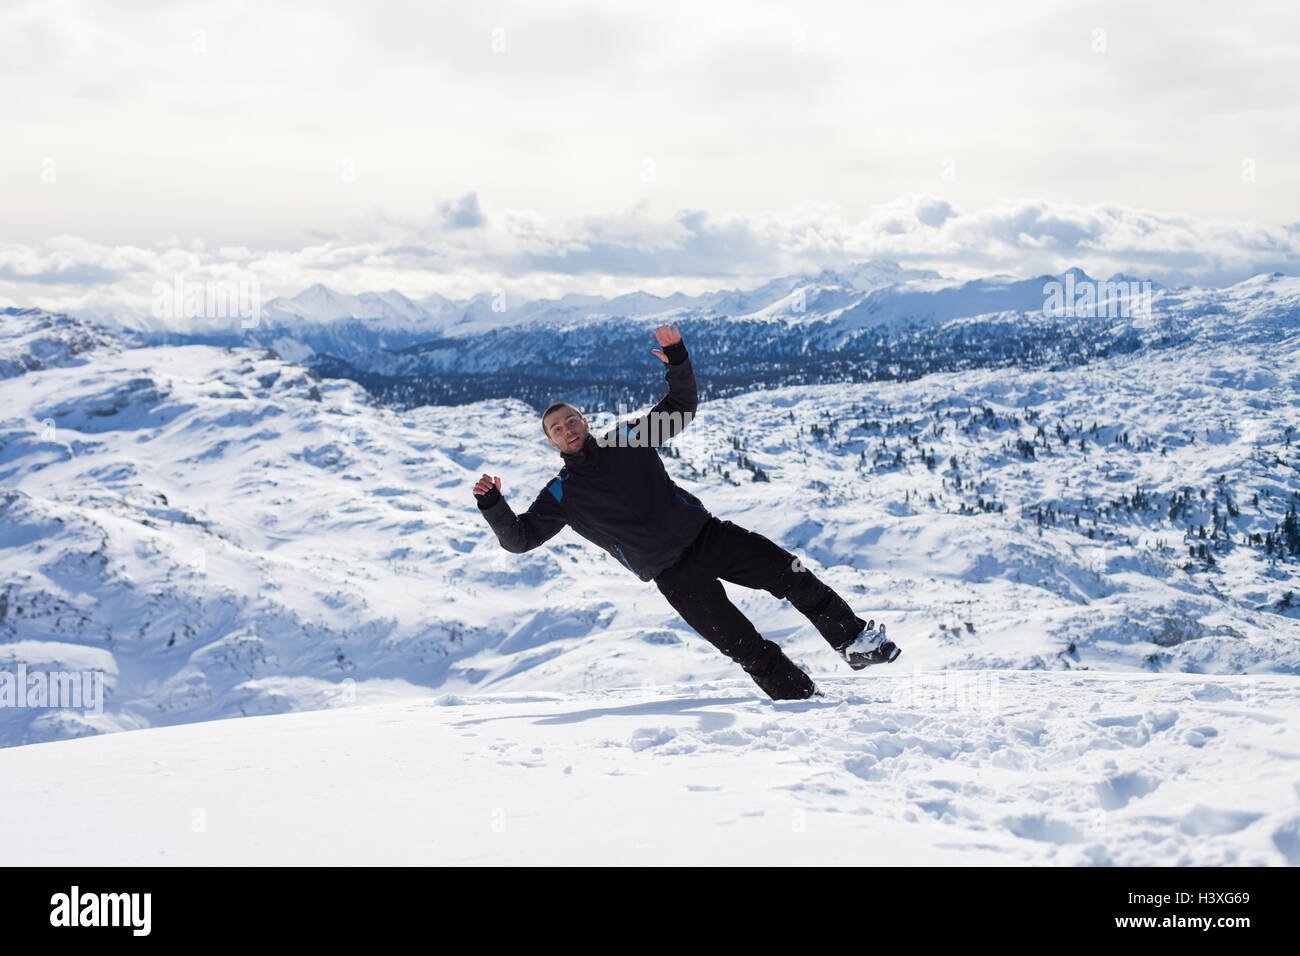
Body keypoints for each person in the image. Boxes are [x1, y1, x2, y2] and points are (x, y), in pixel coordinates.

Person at [473, 323, 901, 700]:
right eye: (557, 429)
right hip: (673, 576)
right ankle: (803, 701)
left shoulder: (628, 438)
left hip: (711, 537)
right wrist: (493, 504)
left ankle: (853, 642)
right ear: (552, 442)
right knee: (744, 646)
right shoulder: (561, 495)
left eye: (572, 420)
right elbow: (520, 539)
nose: (568, 429)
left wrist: (677, 360)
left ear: (584, 421)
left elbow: (681, 407)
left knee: (792, 575)